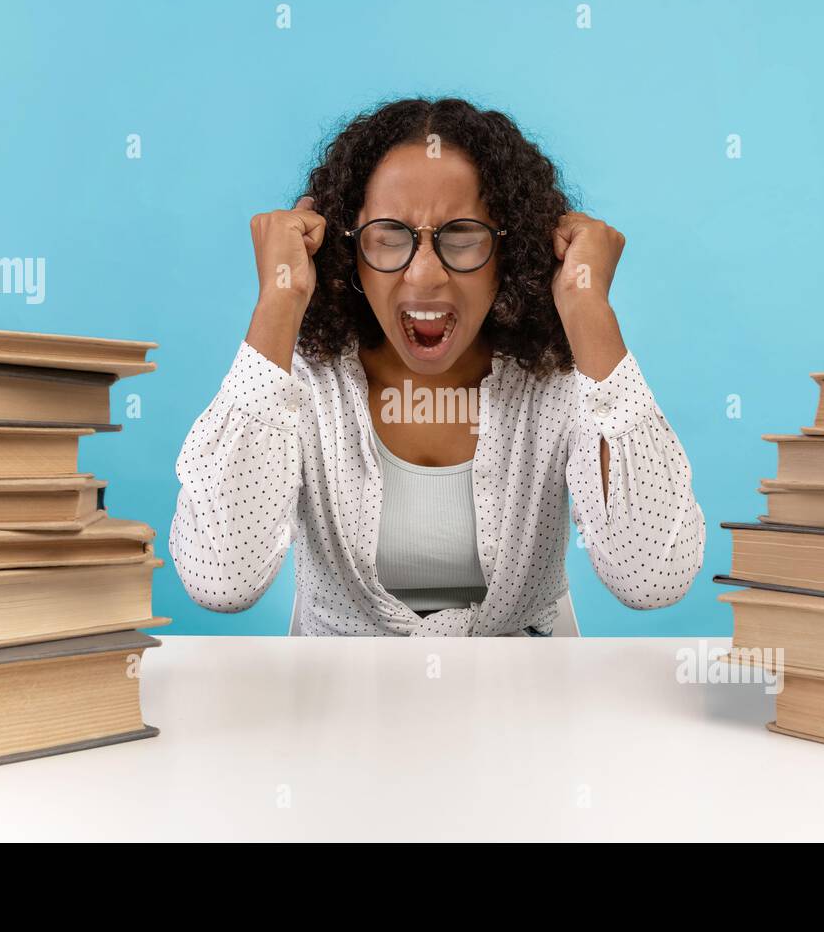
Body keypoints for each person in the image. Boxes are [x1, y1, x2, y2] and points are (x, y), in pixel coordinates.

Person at [169, 97, 705, 636]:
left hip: (529, 699)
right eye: (389, 235)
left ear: (510, 250)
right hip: (338, 698)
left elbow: (653, 578)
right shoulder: (303, 382)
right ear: (348, 247)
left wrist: (587, 305)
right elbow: (221, 580)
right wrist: (280, 301)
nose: (424, 274)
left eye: (463, 235)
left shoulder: (558, 382)